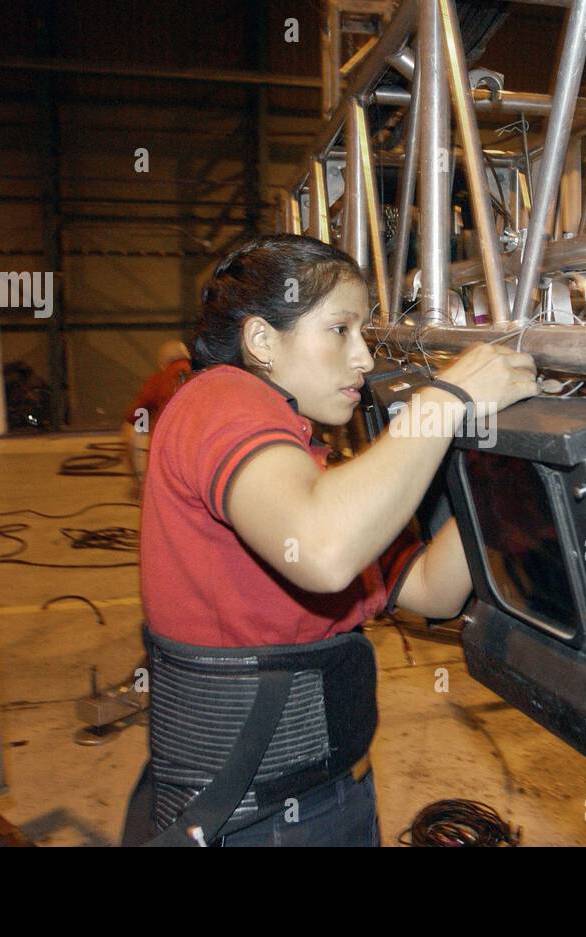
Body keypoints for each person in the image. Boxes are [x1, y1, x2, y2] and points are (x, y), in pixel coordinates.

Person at [121, 234, 536, 846]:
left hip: (326, 794)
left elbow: (432, 590)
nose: (365, 358)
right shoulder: (218, 399)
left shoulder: (308, 468)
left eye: (363, 333)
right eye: (340, 330)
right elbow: (322, 549)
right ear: (261, 340)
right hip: (249, 819)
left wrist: (507, 475)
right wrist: (441, 404)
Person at [122, 340, 192, 492]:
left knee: (133, 430)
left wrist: (145, 432)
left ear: (163, 363)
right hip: (202, 446)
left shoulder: (159, 379)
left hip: (170, 447)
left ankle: (142, 485)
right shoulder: (205, 374)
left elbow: (136, 414)